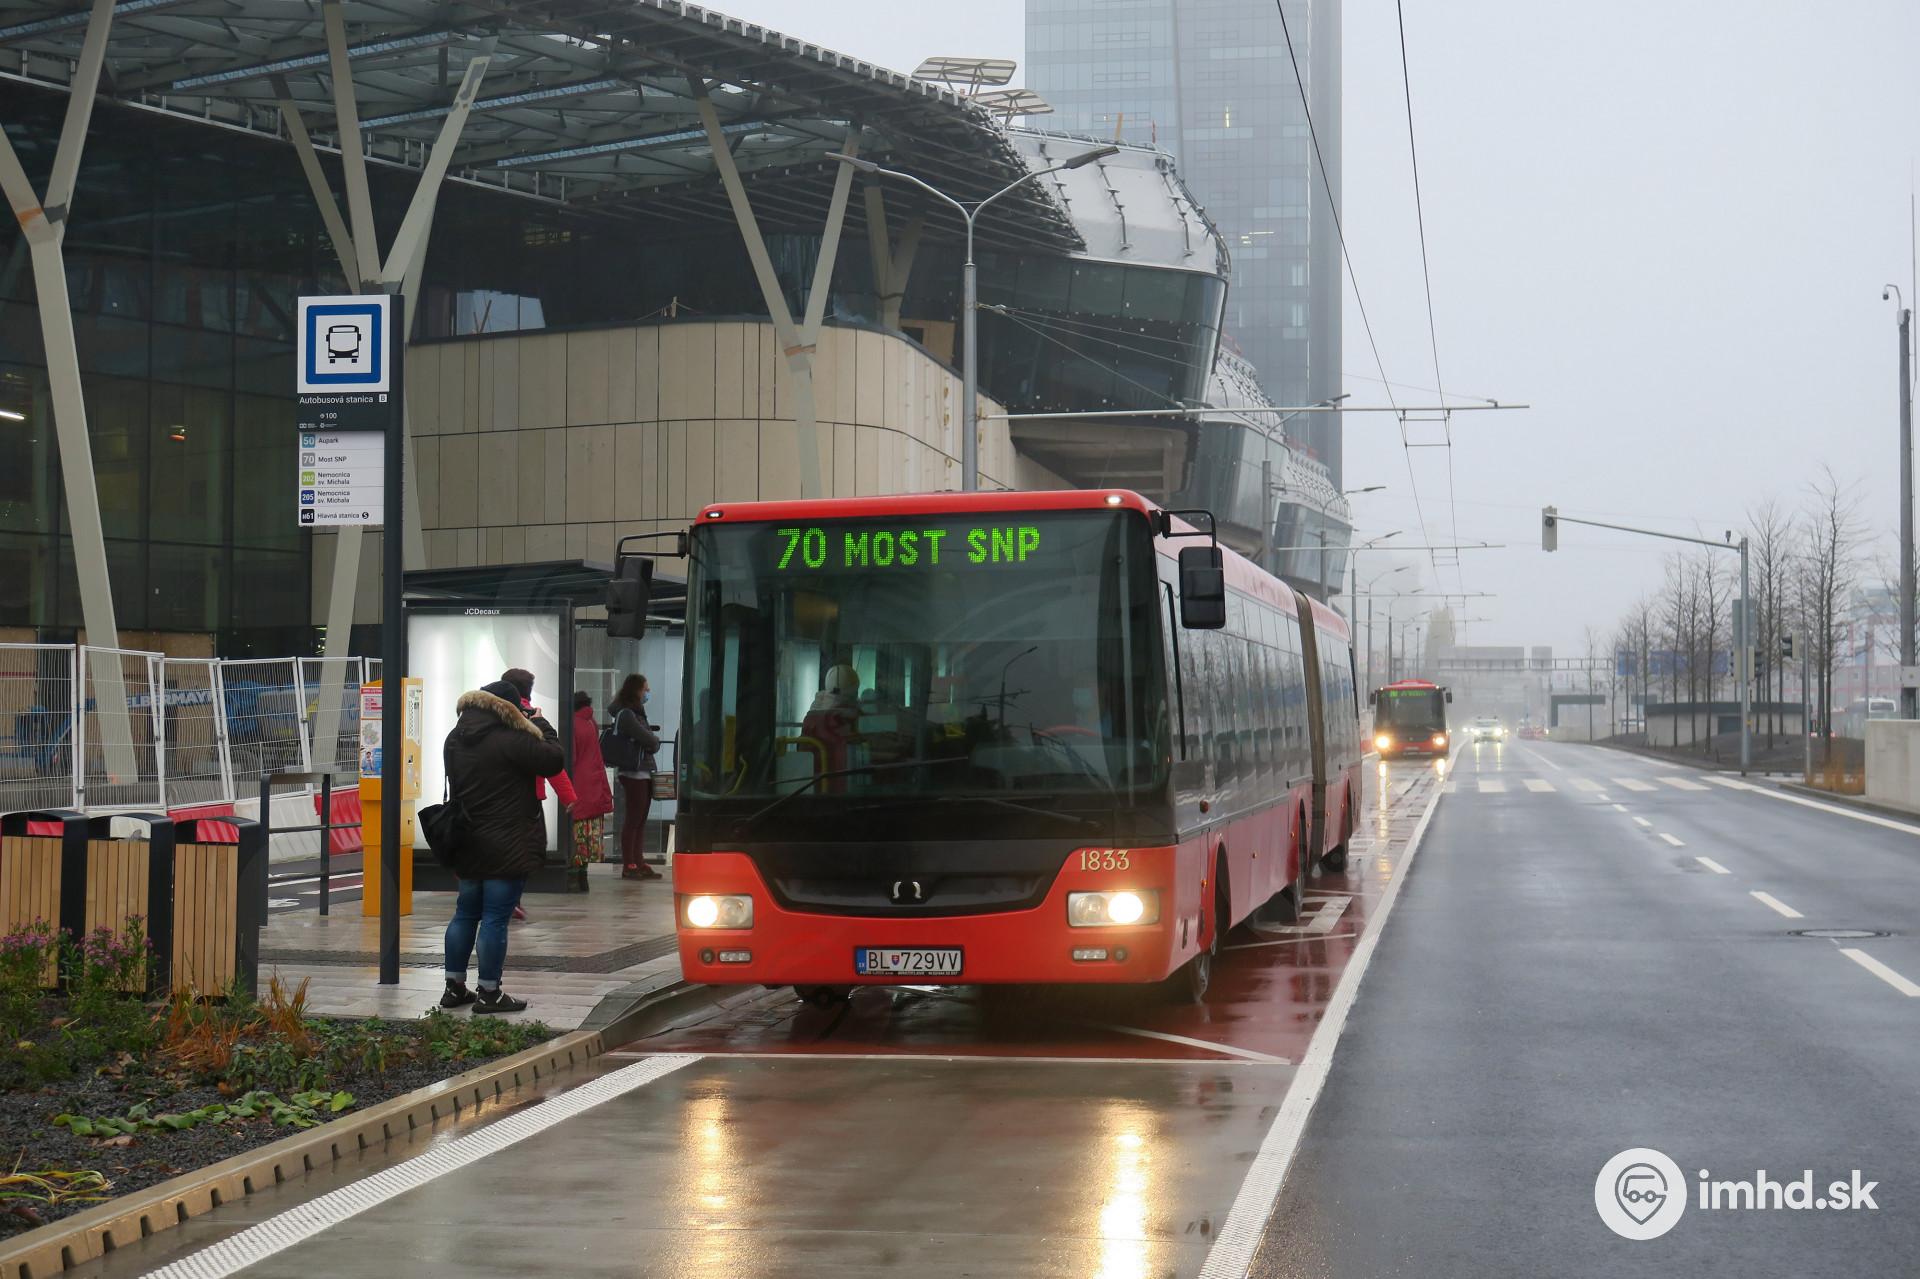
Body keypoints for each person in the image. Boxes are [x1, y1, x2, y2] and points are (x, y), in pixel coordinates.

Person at [441, 675, 563, 1013]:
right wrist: (540, 723)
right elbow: (554, 759)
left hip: (467, 839)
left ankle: (454, 988)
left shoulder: (455, 737)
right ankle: (489, 993)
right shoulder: (511, 739)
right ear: (509, 709)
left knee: (465, 913)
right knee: (495, 916)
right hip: (506, 842)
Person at [609, 674, 661, 880]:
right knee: (633, 819)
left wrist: (652, 741)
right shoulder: (628, 714)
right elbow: (649, 740)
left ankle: (638, 861)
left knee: (640, 820)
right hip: (633, 772)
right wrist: (653, 740)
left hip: (643, 771)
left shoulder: (637, 712)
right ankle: (629, 863)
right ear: (636, 690)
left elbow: (649, 740)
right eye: (645, 689)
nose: (647, 693)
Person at [570, 690, 616, 866]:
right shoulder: (591, 723)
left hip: (579, 785)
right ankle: (595, 867)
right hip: (595, 783)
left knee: (579, 834)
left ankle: (580, 870)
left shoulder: (572, 724)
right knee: (595, 832)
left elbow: (571, 759)